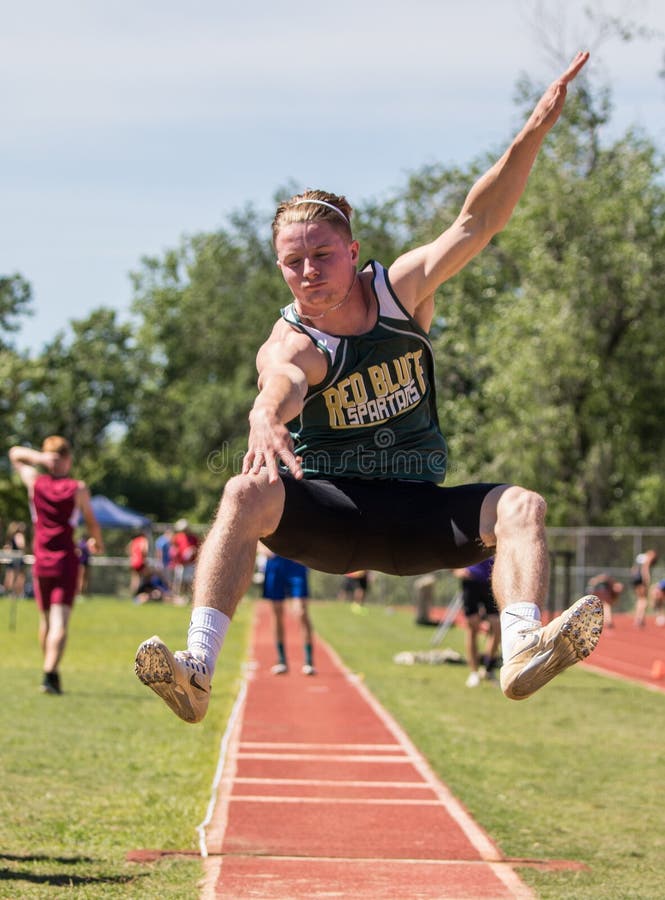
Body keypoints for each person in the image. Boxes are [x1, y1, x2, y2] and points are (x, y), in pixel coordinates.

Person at [135, 51, 604, 725]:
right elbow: (283, 377)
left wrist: (530, 134)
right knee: (242, 492)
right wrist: (264, 414)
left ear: (353, 253)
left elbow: (476, 223)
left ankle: (523, 644)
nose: (307, 273)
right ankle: (197, 670)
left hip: (419, 515)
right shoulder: (297, 337)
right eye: (292, 263)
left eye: (321, 255)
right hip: (331, 515)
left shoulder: (400, 294)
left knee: (522, 507)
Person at [9, 437, 104, 694]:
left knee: (45, 621)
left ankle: (50, 669)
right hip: (65, 562)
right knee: (59, 622)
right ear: (68, 459)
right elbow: (91, 521)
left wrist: (39, 459)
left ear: (48, 458)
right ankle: (50, 673)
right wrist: (97, 541)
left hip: (41, 562)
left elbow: (14, 453)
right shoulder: (78, 489)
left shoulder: (34, 482)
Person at [259, 545, 315, 675]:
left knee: (301, 612)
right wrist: (264, 550)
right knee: (277, 613)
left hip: (296, 563)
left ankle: (308, 661)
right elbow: (256, 534)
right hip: (275, 564)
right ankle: (281, 660)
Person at [453, 558, 501, 687]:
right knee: (472, 626)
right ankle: (474, 672)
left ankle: (488, 668)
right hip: (471, 582)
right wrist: (455, 570)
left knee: (497, 626)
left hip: (491, 581)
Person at [170, 519, 199, 598]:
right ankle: (178, 596)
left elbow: (198, 548)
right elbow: (173, 548)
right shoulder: (177, 537)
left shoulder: (193, 537)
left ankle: (188, 596)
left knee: (189, 581)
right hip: (180, 562)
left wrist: (193, 550)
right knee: (179, 581)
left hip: (190, 563)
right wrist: (175, 552)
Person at [632, 549, 658, 628]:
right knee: (644, 599)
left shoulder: (640, 557)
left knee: (639, 599)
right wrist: (647, 580)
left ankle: (637, 618)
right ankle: (640, 619)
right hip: (641, 578)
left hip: (635, 578)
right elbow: (645, 568)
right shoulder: (648, 558)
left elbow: (633, 569)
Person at [2, 521, 27, 598]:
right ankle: (16, 594)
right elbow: (22, 545)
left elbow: (7, 548)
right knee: (18, 577)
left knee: (10, 576)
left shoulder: (9, 538)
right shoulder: (19, 535)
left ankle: (9, 593)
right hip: (17, 559)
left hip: (11, 559)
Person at [127, 530, 150, 595]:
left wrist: (132, 556)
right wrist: (144, 559)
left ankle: (132, 594)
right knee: (147, 577)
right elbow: (144, 550)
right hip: (140, 562)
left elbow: (128, 549)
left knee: (134, 579)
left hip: (133, 561)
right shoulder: (144, 540)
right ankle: (141, 593)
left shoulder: (134, 541)